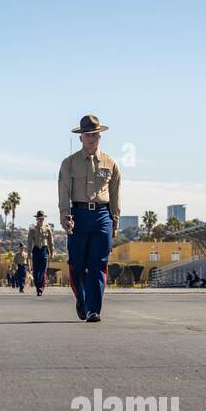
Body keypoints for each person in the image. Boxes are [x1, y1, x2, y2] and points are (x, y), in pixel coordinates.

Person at [58, 114, 121, 323]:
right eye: (87, 135)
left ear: (99, 136)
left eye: (95, 135)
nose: (91, 139)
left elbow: (115, 192)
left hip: (102, 215)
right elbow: (64, 191)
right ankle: (82, 299)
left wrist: (115, 219)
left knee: (98, 264)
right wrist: (65, 216)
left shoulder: (110, 163)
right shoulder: (69, 163)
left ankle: (94, 309)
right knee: (77, 264)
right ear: (81, 137)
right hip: (78, 215)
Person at [27, 210, 53, 296]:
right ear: (36, 219)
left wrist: (52, 252)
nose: (41, 220)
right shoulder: (32, 229)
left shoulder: (47, 229)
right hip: (36, 250)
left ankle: (40, 288)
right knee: (35, 272)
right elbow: (29, 242)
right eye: (39, 219)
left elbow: (50, 242)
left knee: (42, 271)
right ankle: (38, 287)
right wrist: (29, 254)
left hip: (44, 251)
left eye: (42, 219)